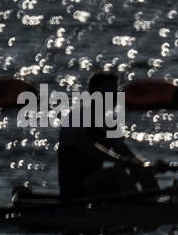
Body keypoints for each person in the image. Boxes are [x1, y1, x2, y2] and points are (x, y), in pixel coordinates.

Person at [57, 70, 165, 198]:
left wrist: (147, 164)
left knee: (140, 169)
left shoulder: (110, 123)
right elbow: (85, 146)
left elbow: (125, 153)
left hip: (94, 184)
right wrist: (118, 159)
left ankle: (155, 204)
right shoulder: (77, 116)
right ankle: (136, 209)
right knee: (119, 171)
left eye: (115, 93)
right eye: (109, 93)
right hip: (75, 187)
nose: (114, 98)